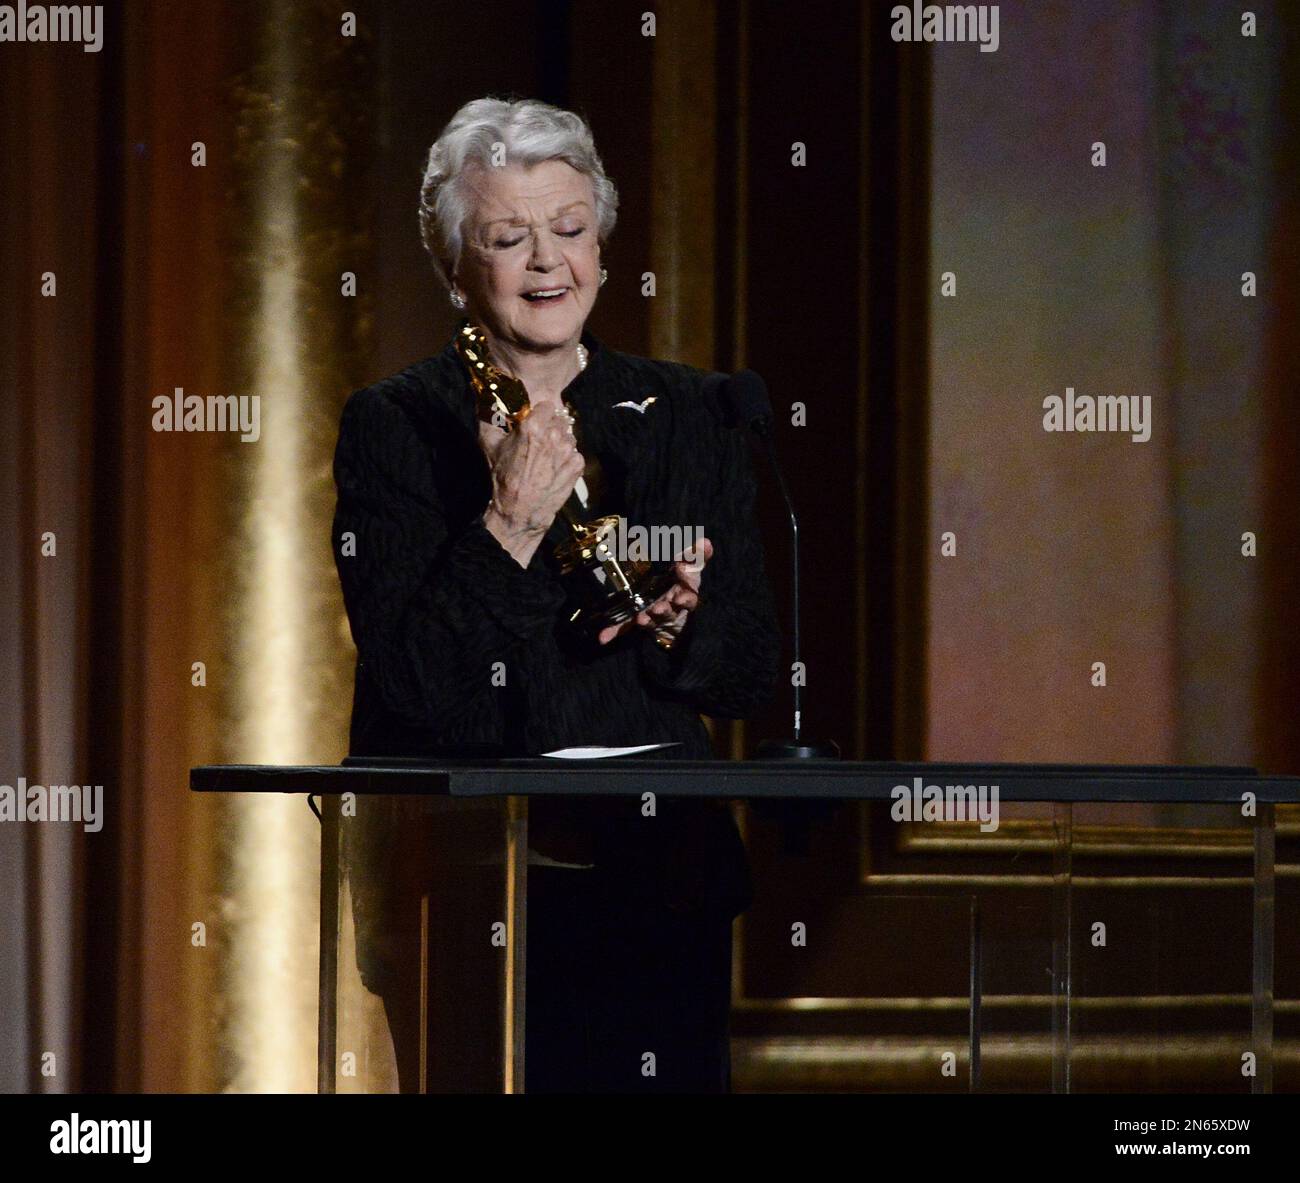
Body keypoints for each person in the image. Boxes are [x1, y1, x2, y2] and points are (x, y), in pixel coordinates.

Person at [331, 96, 780, 1093]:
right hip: (466, 889)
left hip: (660, 888)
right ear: (456, 266)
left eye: (570, 230)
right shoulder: (394, 427)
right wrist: (510, 523)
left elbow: (753, 667)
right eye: (507, 236)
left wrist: (683, 629)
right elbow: (413, 684)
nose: (547, 261)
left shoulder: (690, 414)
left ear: (604, 248)